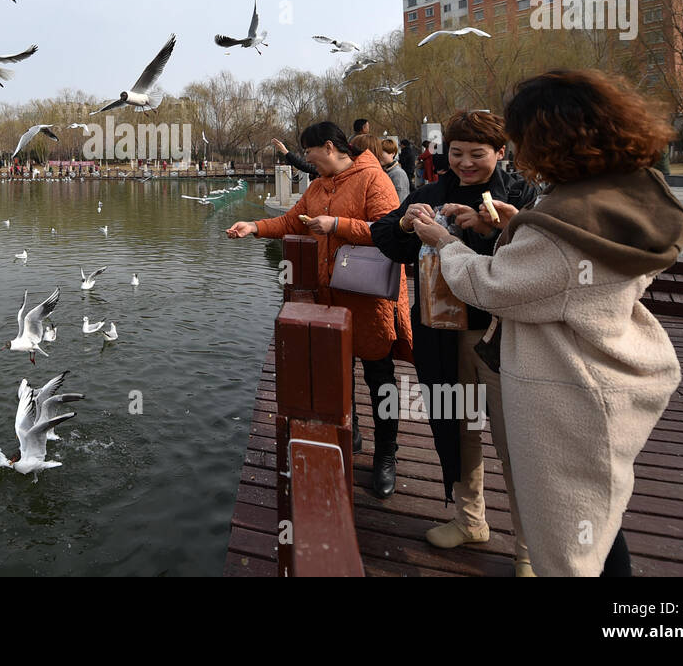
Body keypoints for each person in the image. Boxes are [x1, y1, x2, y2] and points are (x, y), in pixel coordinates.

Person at [407, 69, 683, 577]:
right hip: (607, 372)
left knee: (570, 541)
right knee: (598, 519)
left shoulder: (564, 223)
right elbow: (567, 279)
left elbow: (494, 286)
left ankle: (529, 559)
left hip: (565, 386)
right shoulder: (624, 195)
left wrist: (443, 242)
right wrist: (515, 226)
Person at [370, 110, 539, 575]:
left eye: (477, 154)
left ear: (501, 153)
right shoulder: (430, 192)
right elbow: (383, 234)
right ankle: (470, 521)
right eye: (457, 153)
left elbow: (538, 257)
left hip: (502, 337)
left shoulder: (521, 196)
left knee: (516, 443)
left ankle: (529, 551)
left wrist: (499, 226)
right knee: (457, 430)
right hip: (441, 335)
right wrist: (406, 224)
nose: (465, 163)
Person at [229, 122, 411, 499]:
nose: (306, 159)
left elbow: (391, 231)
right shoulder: (318, 184)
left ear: (329, 147)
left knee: (380, 377)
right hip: (331, 296)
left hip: (370, 299)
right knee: (339, 373)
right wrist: (256, 227)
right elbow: (293, 220)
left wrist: (337, 225)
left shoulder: (373, 180)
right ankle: (354, 433)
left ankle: (387, 456)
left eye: (309, 152)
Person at [378, 138, 410, 203]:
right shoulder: (385, 171)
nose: (379, 155)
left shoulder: (398, 174)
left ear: (392, 154)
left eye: (382, 152)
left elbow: (401, 199)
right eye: (378, 153)